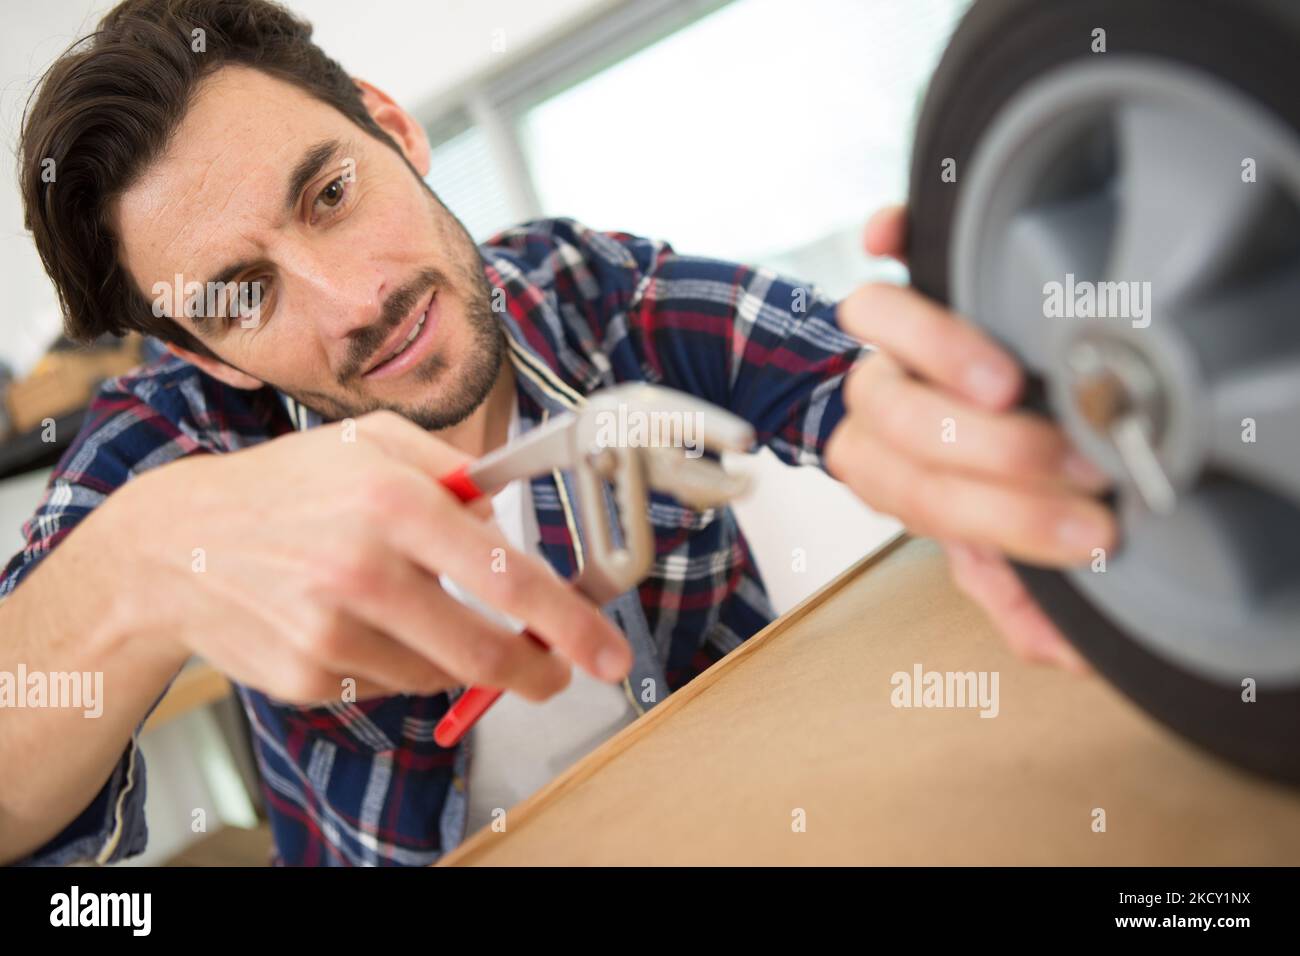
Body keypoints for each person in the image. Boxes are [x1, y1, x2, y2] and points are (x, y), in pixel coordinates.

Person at [0, 0, 1114, 865]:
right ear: (197, 350)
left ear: (391, 127)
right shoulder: (175, 437)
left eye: (330, 193)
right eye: (240, 296)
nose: (351, 300)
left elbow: (846, 381)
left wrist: (952, 429)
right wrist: (134, 568)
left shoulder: (590, 286)